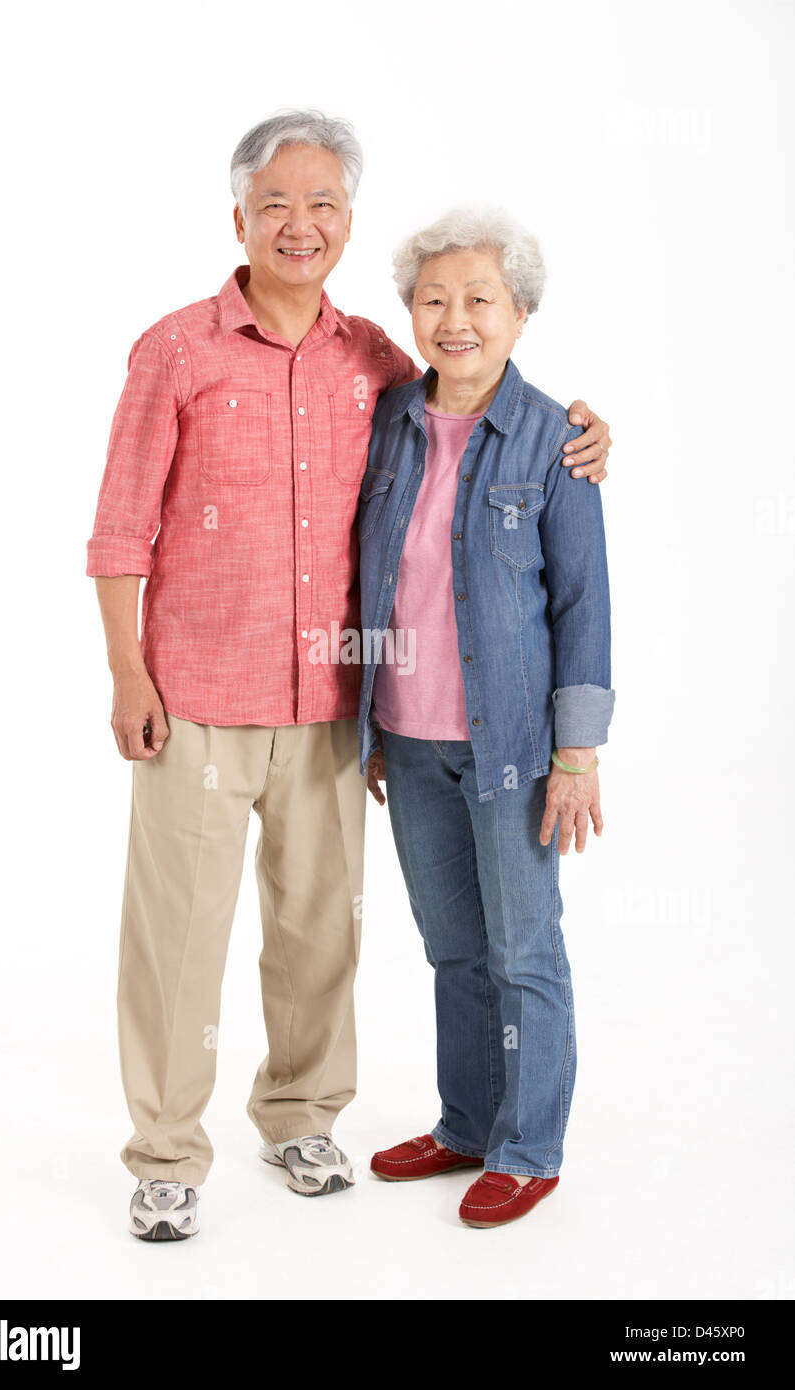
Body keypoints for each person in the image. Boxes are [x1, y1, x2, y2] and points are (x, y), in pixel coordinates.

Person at [87, 110, 614, 1240]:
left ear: (346, 222)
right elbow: (119, 527)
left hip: (337, 705)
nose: (298, 222)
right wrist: (127, 671)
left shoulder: (372, 357)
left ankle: (300, 1114)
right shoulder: (179, 349)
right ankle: (168, 1153)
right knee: (180, 935)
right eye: (276, 202)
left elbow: (503, 460)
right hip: (200, 704)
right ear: (238, 216)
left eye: (321, 203)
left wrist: (579, 429)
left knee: (323, 930)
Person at [359, 207, 614, 1228]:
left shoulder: (558, 440)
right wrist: (372, 727)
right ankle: (465, 1121)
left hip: (513, 750)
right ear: (409, 312)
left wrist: (576, 753)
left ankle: (527, 1146)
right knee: (451, 949)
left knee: (522, 947)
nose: (452, 318)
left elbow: (582, 604)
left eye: (477, 299)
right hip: (406, 742)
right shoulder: (386, 422)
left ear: (518, 313)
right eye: (432, 298)